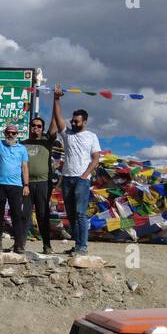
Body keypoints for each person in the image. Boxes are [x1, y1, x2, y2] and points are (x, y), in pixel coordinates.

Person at [52, 85, 102, 256]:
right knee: (71, 214)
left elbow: (96, 158)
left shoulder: (91, 136)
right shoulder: (67, 135)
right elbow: (59, 120)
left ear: (85, 122)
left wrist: (85, 175)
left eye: (77, 121)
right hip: (67, 178)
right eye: (72, 120)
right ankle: (77, 244)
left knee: (81, 213)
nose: (73, 123)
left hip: (81, 180)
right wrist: (57, 99)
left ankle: (83, 246)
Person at [0, 105, 30, 255]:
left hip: (16, 185)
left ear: (17, 134)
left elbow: (25, 167)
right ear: (5, 133)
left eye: (13, 133)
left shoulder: (22, 149)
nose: (11, 135)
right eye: (8, 132)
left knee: (17, 215)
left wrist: (26, 184)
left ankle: (19, 244)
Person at [22, 113, 57, 252]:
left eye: (39, 126)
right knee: (24, 215)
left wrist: (56, 99)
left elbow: (54, 126)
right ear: (29, 127)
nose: (35, 128)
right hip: (26, 184)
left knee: (43, 215)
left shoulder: (47, 141)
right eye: (33, 126)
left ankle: (47, 245)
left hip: (43, 183)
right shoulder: (23, 144)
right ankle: (20, 244)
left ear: (42, 129)